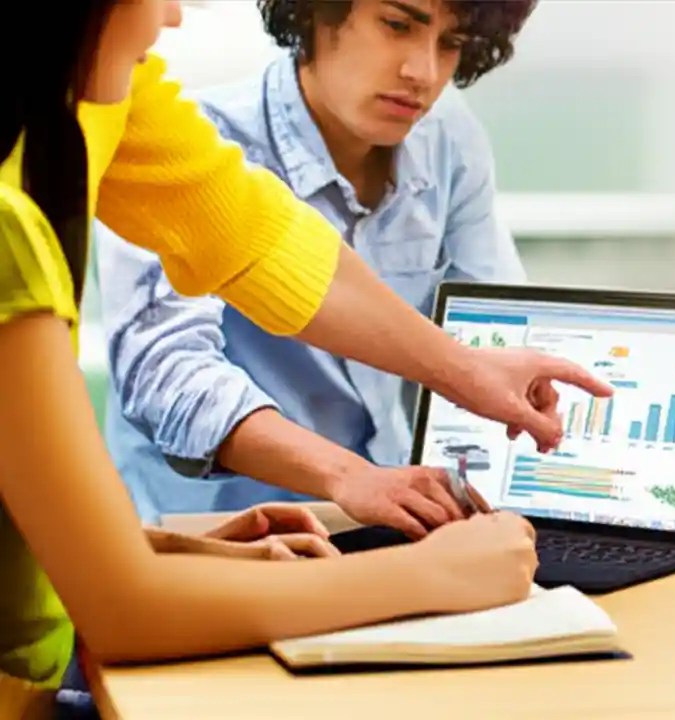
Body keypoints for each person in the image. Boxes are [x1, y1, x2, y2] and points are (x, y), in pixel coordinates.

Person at [0, 0, 609, 712]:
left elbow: (256, 237)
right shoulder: (13, 231)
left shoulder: (104, 104)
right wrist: (434, 576)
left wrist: (188, 554)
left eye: (451, 43)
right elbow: (122, 608)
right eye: (397, 24)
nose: (172, 15)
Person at [96, 0, 535, 539]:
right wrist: (349, 475)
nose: (423, 73)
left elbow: (275, 251)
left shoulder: (447, 140)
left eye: (452, 43)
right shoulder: (191, 129)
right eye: (396, 26)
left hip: (386, 522)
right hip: (213, 534)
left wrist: (474, 376)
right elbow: (166, 371)